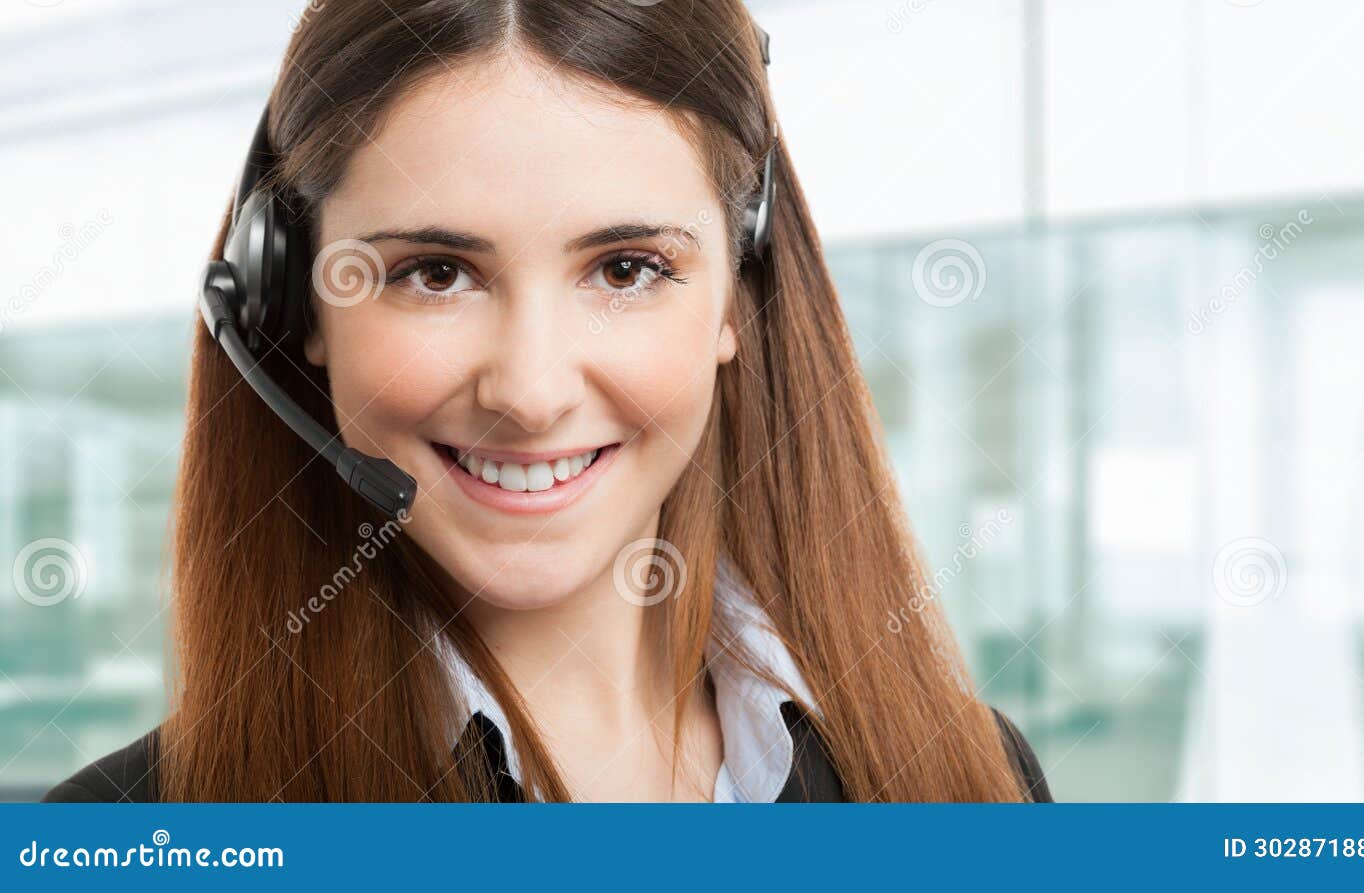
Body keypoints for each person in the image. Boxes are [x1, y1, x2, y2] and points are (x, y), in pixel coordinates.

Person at [45, 0, 1049, 803]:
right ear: (293, 298)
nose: (529, 393)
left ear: (733, 301)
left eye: (625, 268)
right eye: (435, 272)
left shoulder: (968, 779)